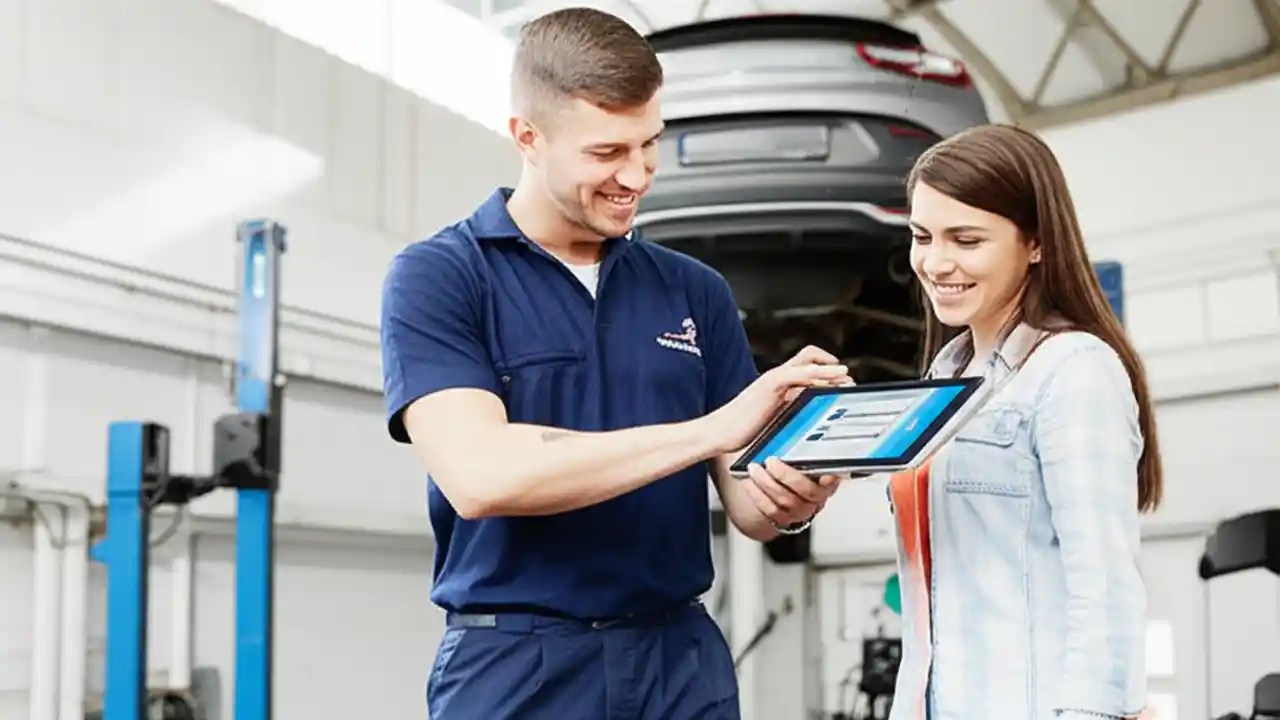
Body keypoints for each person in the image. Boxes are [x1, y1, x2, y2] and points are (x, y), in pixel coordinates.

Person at [379, 7, 849, 719]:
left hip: (679, 660)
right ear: (527, 138)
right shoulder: (441, 277)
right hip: (518, 666)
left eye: (650, 144)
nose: (637, 176)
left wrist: (799, 489)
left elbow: (750, 507)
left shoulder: (695, 290)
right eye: (606, 153)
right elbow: (481, 474)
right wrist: (714, 429)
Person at [886, 123, 1163, 720]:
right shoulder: (944, 377)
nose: (936, 262)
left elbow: (1105, 587)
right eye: (921, 236)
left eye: (966, 239)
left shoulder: (1075, 370)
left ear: (1035, 243)